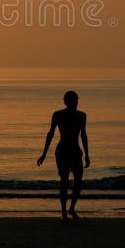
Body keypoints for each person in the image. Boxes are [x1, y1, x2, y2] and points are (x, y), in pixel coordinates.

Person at [37, 90, 90, 220]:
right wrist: (44, 154)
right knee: (64, 182)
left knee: (78, 182)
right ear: (66, 102)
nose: (75, 102)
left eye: (76, 100)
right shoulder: (58, 115)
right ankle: (63, 212)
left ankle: (71, 208)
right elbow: (51, 133)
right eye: (73, 100)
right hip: (62, 151)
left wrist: (87, 154)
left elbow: (83, 135)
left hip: (76, 151)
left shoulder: (82, 115)